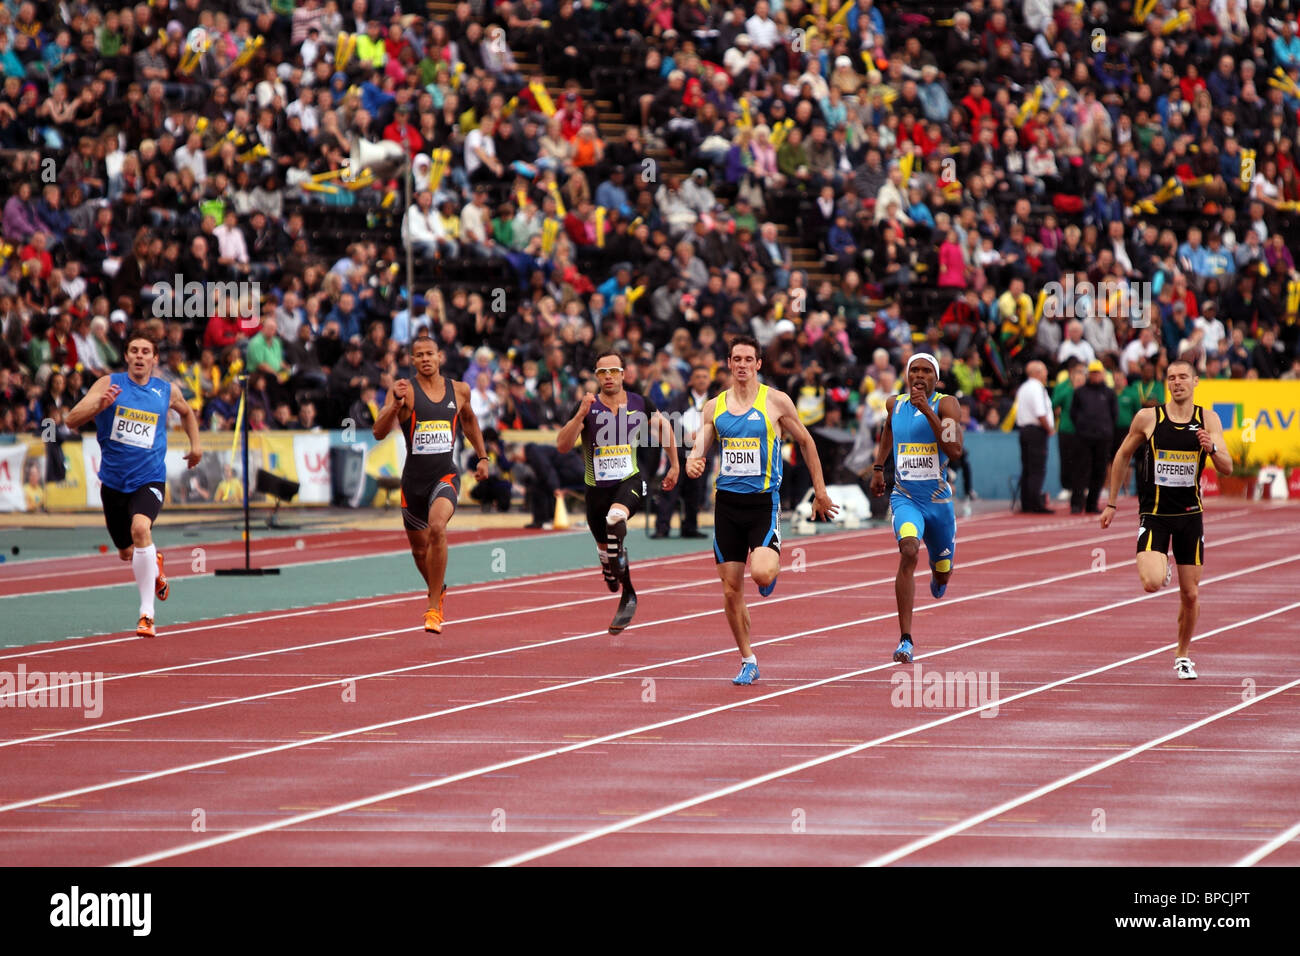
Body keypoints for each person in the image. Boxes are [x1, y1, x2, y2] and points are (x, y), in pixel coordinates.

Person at [685, 334, 837, 685]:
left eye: (747, 359)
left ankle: (767, 566)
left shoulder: (777, 402)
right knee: (730, 591)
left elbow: (806, 441)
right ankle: (748, 659)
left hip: (762, 504)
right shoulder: (715, 407)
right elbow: (701, 447)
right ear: (728, 363)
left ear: (758, 364)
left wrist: (820, 492)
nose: (741, 365)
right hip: (726, 507)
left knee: (763, 574)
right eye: (735, 359)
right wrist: (694, 462)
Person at [1101, 360, 1233, 681]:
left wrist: (1212, 447)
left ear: (1195, 381)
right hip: (1155, 515)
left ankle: (1183, 654)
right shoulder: (1149, 418)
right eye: (1171, 378)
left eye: (1183, 377)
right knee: (1151, 583)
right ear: (1167, 384)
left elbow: (1227, 467)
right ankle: (1163, 567)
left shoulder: (1208, 419)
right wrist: (1112, 503)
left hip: (1190, 517)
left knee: (1190, 595)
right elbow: (1122, 455)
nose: (1177, 383)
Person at [64, 332, 202, 638]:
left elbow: (187, 413)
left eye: (145, 352)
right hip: (113, 483)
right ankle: (154, 560)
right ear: (127, 356)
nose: (139, 356)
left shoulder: (166, 390)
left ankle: (146, 615)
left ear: (154, 359)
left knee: (141, 529)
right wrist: (99, 404)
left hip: (149, 478)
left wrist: (196, 447)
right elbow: (72, 420)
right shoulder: (108, 384)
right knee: (127, 552)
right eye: (134, 351)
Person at [372, 337, 490, 634]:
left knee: (437, 528)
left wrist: (482, 457)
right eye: (419, 355)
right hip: (413, 483)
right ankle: (439, 589)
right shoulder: (403, 390)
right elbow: (378, 431)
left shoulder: (460, 390)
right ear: (412, 360)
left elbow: (470, 421)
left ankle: (433, 607)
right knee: (419, 552)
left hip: (445, 477)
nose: (425, 359)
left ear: (440, 357)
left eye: (430, 354)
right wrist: (394, 405)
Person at [556, 352, 680, 634]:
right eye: (602, 372)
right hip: (595, 491)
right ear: (596, 377)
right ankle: (612, 567)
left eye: (613, 370)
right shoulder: (588, 406)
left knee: (616, 519)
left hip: (630, 481)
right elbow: (563, 445)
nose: (608, 376)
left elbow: (664, 428)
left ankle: (627, 585)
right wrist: (579, 415)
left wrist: (674, 465)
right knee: (606, 552)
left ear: (624, 374)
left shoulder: (639, 403)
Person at [869, 353, 964, 665]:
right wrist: (879, 468)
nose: (919, 376)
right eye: (914, 370)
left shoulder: (946, 404)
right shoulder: (894, 404)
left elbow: (954, 450)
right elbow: (888, 430)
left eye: (926, 371)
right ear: (907, 375)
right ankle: (905, 638)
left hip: (938, 504)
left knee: (943, 573)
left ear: (935, 378)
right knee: (909, 550)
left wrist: (927, 410)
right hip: (905, 498)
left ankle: (939, 577)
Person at [654, 364, 712, 538]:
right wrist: (685, 436)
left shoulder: (714, 401)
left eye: (704, 376)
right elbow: (669, 420)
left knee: (696, 493)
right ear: (691, 381)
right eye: (698, 376)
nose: (701, 380)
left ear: (709, 380)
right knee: (670, 491)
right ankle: (662, 528)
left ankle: (690, 527)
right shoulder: (680, 399)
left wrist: (702, 437)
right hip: (679, 453)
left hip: (701, 454)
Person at [1069, 359, 1117, 514]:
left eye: (1097, 372)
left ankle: (1092, 504)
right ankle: (1076, 504)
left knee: (1099, 471)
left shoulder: (1109, 393)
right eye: (1093, 373)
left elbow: (1113, 414)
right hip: (1084, 437)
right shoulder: (1080, 392)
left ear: (1102, 374)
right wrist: (1082, 427)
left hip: (1103, 437)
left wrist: (1105, 429)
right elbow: (1073, 413)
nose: (1095, 375)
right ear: (1089, 374)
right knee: (1080, 471)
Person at [1014, 360, 1055, 513]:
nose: (1046, 374)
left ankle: (1027, 502)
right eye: (1044, 371)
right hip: (1036, 432)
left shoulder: (1024, 387)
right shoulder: (1037, 388)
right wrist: (1049, 428)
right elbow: (1040, 412)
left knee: (1027, 468)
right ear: (1037, 372)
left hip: (1024, 431)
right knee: (1037, 468)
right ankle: (1035, 503)